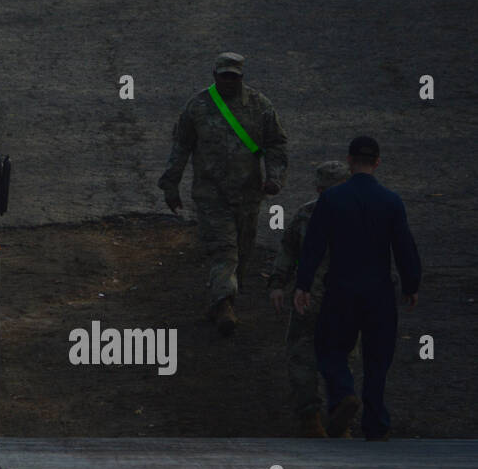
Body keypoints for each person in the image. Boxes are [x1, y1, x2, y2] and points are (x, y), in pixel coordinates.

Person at [294, 136, 422, 440]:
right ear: (377, 162)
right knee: (377, 360)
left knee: (331, 349)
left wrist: (303, 284)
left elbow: (313, 245)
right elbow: (404, 246)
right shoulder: (391, 201)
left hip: (341, 288)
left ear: (350, 161)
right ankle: (376, 423)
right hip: (379, 291)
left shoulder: (332, 199)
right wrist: (411, 284)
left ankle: (343, 395)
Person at [158, 52, 288, 335]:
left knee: (242, 252)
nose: (229, 81)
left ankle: (222, 299)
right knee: (223, 250)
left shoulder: (260, 106)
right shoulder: (197, 107)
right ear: (214, 75)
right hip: (210, 196)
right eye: (224, 75)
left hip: (248, 196)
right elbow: (181, 146)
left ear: (241, 77)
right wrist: (171, 185)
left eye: (234, 76)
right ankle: (224, 304)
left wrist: (274, 177)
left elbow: (276, 143)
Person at [268, 161, 348, 437]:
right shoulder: (362, 214)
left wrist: (278, 283)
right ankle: (340, 414)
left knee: (302, 356)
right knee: (339, 356)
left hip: (309, 299)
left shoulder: (306, 214)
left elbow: (288, 251)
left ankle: (310, 417)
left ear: (318, 188)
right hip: (345, 299)